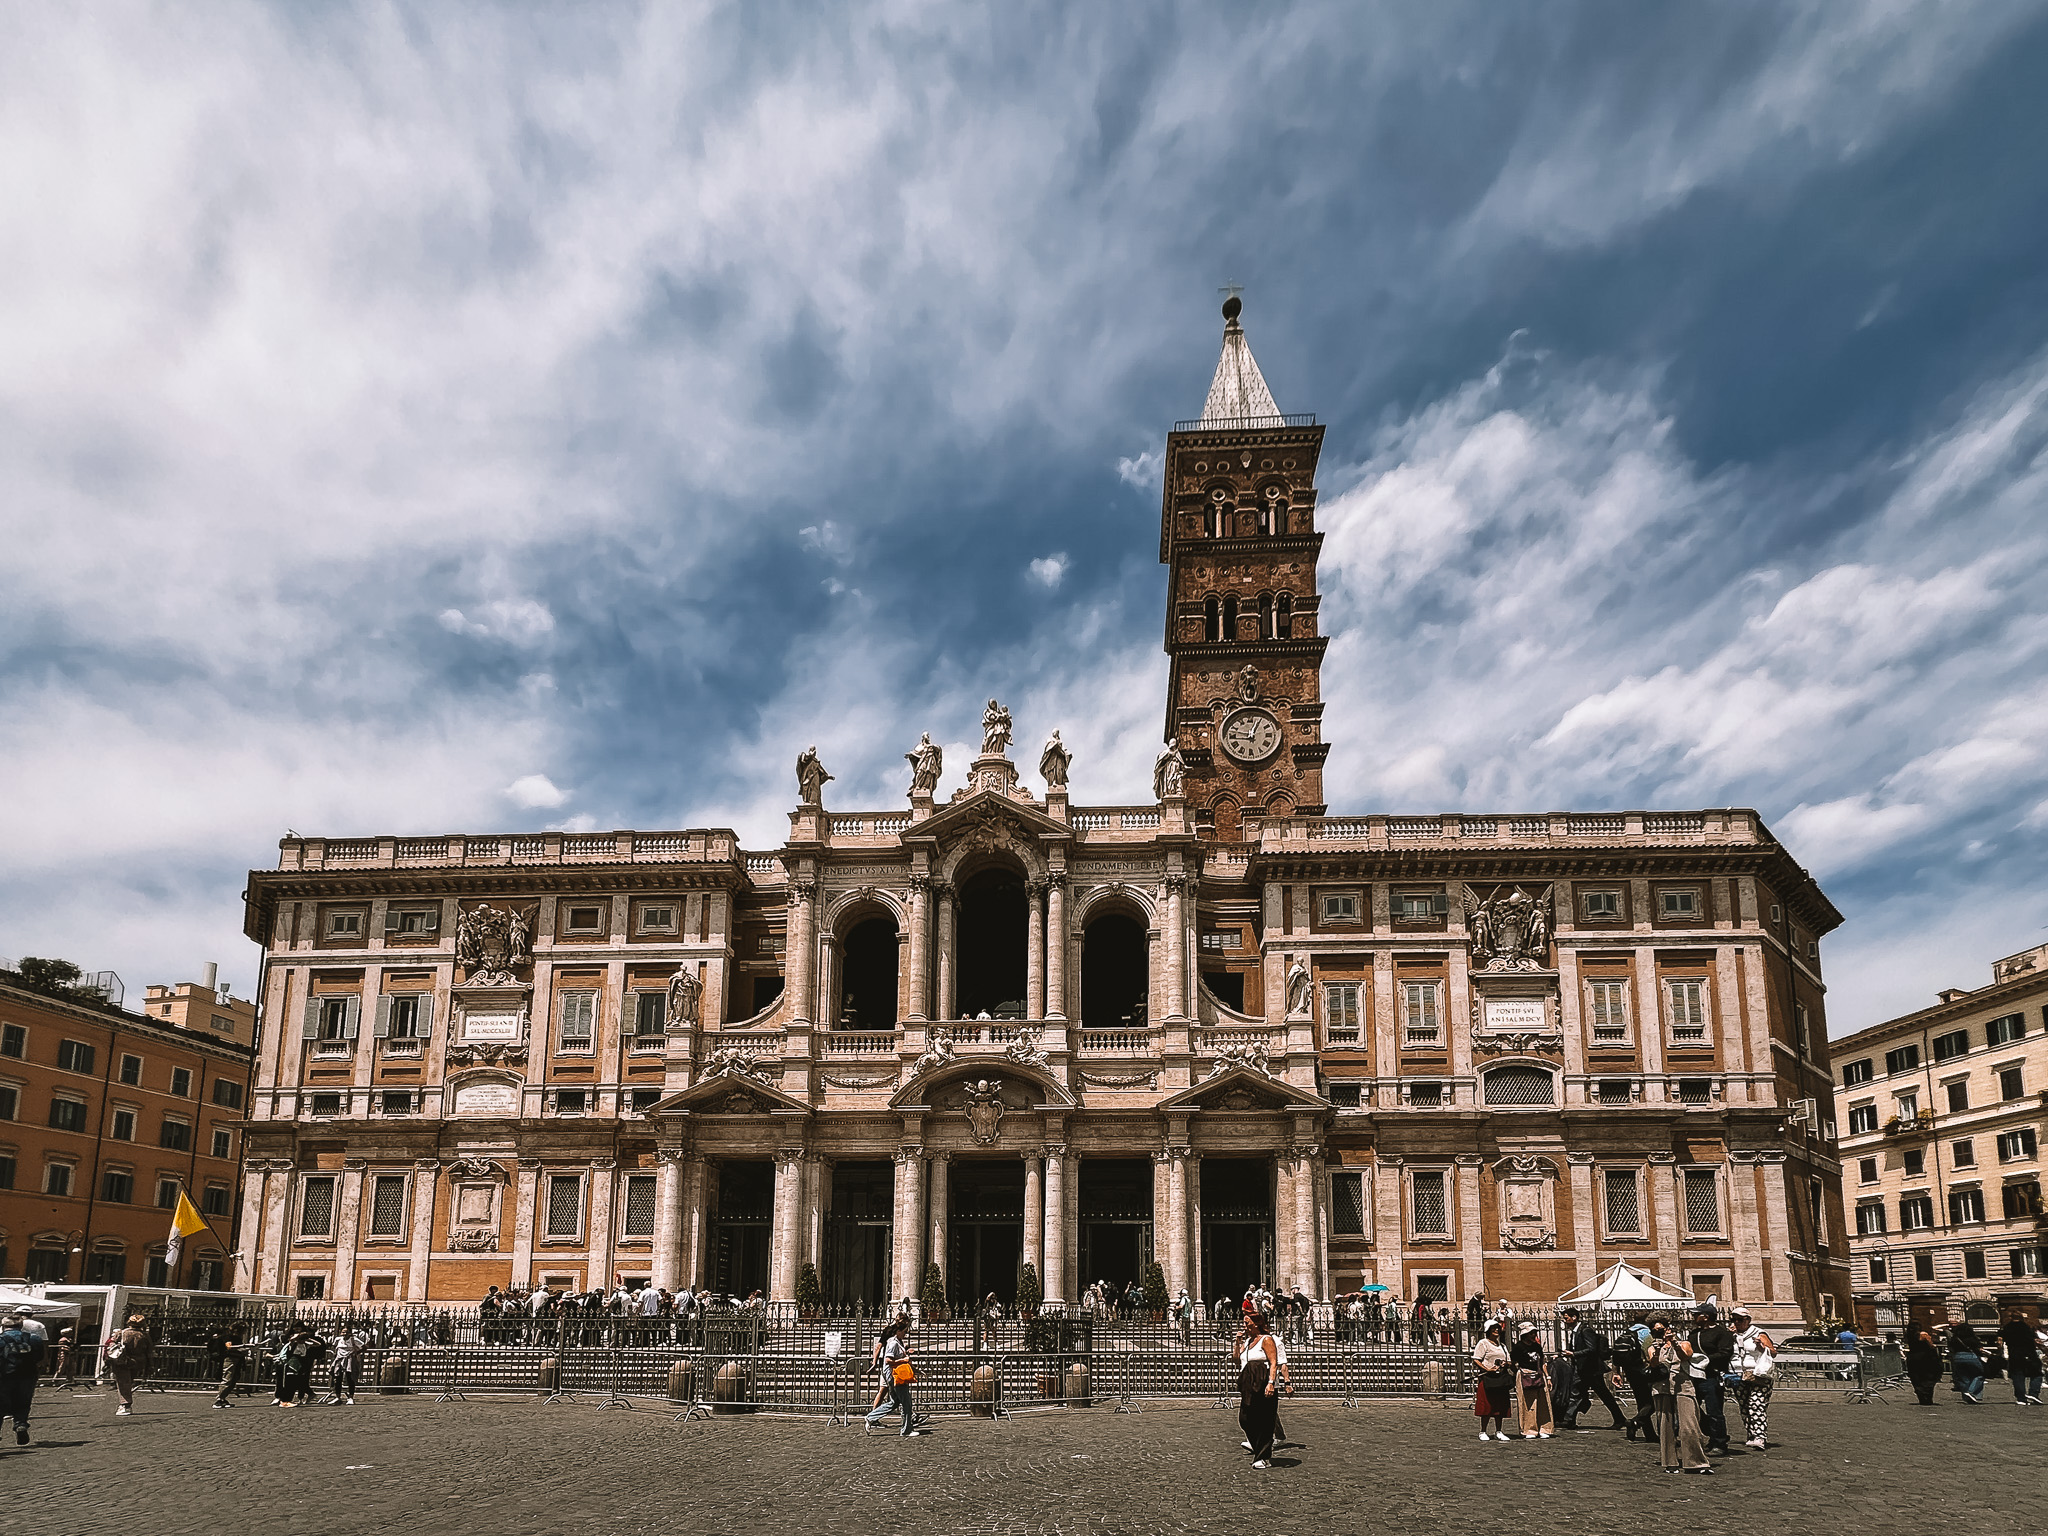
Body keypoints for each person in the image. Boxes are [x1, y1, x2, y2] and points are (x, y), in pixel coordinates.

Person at [1646, 1316, 1710, 1474]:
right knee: (1665, 1427)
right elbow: (1653, 1363)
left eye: (1661, 1330)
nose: (1658, 1334)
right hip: (1661, 1387)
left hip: (1682, 1385)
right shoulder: (1652, 1347)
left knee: (1690, 1425)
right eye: (1654, 1331)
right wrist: (1658, 1349)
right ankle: (1670, 1462)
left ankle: (1696, 1462)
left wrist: (1673, 1342)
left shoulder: (1684, 1343)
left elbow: (1685, 1356)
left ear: (1668, 1328)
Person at [1558, 1306, 1625, 1430]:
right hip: (1582, 1369)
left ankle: (1619, 1418)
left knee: (1603, 1394)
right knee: (1576, 1393)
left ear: (1574, 1318)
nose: (1565, 1321)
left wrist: (1573, 1354)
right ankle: (1569, 1419)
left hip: (1592, 1370)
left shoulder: (1585, 1330)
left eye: (1567, 1318)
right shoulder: (1575, 1332)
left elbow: (1591, 1349)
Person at [1234, 1312, 1282, 1468]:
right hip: (1248, 1384)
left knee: (1265, 1421)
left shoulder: (1266, 1340)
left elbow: (1274, 1362)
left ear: (1255, 1324)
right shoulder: (1248, 1342)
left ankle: (1263, 1457)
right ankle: (1258, 1447)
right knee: (1245, 1419)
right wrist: (1237, 1343)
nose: (1244, 1325)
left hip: (1263, 1383)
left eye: (1246, 1322)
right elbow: (1236, 1361)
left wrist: (1271, 1383)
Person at [864, 1318, 924, 1437]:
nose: (906, 1334)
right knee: (906, 1403)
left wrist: (915, 1370)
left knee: (894, 1402)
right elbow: (888, 1360)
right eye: (904, 1332)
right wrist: (904, 1359)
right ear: (898, 1331)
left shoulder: (898, 1342)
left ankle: (871, 1417)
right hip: (895, 1375)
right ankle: (906, 1430)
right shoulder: (893, 1342)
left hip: (895, 1374)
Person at [1687, 1302, 1734, 1453]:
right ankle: (1707, 1432)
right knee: (1692, 1408)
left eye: (1696, 1315)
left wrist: (1704, 1359)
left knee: (1715, 1411)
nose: (1693, 1317)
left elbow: (1725, 1353)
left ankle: (1719, 1442)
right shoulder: (1693, 1334)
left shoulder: (1722, 1334)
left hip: (1711, 1376)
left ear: (1705, 1317)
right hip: (1694, 1376)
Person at [1728, 1305, 1776, 1447]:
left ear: (1748, 1320)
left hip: (1758, 1374)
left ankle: (1760, 1436)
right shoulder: (1733, 1335)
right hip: (1739, 1374)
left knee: (1756, 1404)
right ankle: (1751, 1435)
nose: (1737, 1322)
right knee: (1744, 1406)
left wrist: (1762, 1347)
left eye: (1740, 1319)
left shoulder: (1759, 1333)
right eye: (1734, 1319)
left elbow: (1773, 1352)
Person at [0, 1313, 46, 1446]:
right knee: (23, 1402)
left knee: (1, 1405)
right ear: (20, 1326)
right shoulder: (33, 1339)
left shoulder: (1, 1339)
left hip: (4, 1376)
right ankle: (20, 1424)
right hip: (27, 1375)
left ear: (3, 1326)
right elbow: (39, 1356)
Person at [1508, 1321, 1553, 1439]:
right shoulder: (1518, 1347)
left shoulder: (1537, 1346)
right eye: (1531, 1333)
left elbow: (1542, 1362)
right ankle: (1529, 1429)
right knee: (1527, 1404)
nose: (1534, 1335)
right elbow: (1512, 1363)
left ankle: (1544, 1427)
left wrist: (1548, 1377)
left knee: (1543, 1402)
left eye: (1534, 1333)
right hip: (1525, 1375)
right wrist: (1518, 1373)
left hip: (1539, 1375)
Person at [1612, 1323, 1657, 1441]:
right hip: (1643, 1370)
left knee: (1641, 1402)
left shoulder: (1627, 1332)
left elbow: (1616, 1354)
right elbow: (1648, 1352)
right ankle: (1635, 1422)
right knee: (1652, 1402)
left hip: (1630, 1371)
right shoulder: (1646, 1332)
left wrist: (1616, 1372)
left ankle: (1649, 1434)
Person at [1471, 1320, 1512, 1440]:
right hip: (1488, 1378)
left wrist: (1505, 1364)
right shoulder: (1483, 1343)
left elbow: (1508, 1360)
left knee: (1500, 1405)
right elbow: (1476, 1359)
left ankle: (1499, 1430)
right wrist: (1487, 1368)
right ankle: (1483, 1431)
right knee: (1487, 1405)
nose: (1496, 1330)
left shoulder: (1502, 1346)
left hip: (1500, 1379)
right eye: (1493, 1328)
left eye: (1498, 1328)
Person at [106, 1313, 152, 1417]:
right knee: (129, 1381)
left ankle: (125, 1405)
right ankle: (125, 1403)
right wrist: (150, 1366)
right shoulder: (144, 1335)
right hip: (138, 1361)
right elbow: (149, 1352)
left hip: (123, 1360)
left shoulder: (122, 1333)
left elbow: (112, 1345)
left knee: (123, 1382)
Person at [2000, 1308, 2043, 1406]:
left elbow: (2004, 1339)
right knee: (2037, 1373)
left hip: (2014, 1355)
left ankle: (2021, 1398)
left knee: (2018, 1376)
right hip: (2028, 1354)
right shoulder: (2025, 1327)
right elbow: (2030, 1340)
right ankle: (2033, 1393)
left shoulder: (2007, 1328)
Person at [1947, 1319, 1985, 1402]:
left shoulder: (1955, 1338)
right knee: (1979, 1375)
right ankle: (1971, 1392)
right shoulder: (1972, 1338)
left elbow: (1951, 1348)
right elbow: (1979, 1349)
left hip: (1957, 1357)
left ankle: (1966, 1394)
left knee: (1964, 1377)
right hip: (1970, 1356)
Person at [1904, 1327, 1944, 1406]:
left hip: (1916, 1365)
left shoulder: (1914, 1346)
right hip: (1928, 1366)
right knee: (1928, 1382)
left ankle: (1922, 1397)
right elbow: (1935, 1358)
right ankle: (1928, 1398)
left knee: (1918, 1381)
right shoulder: (1930, 1348)